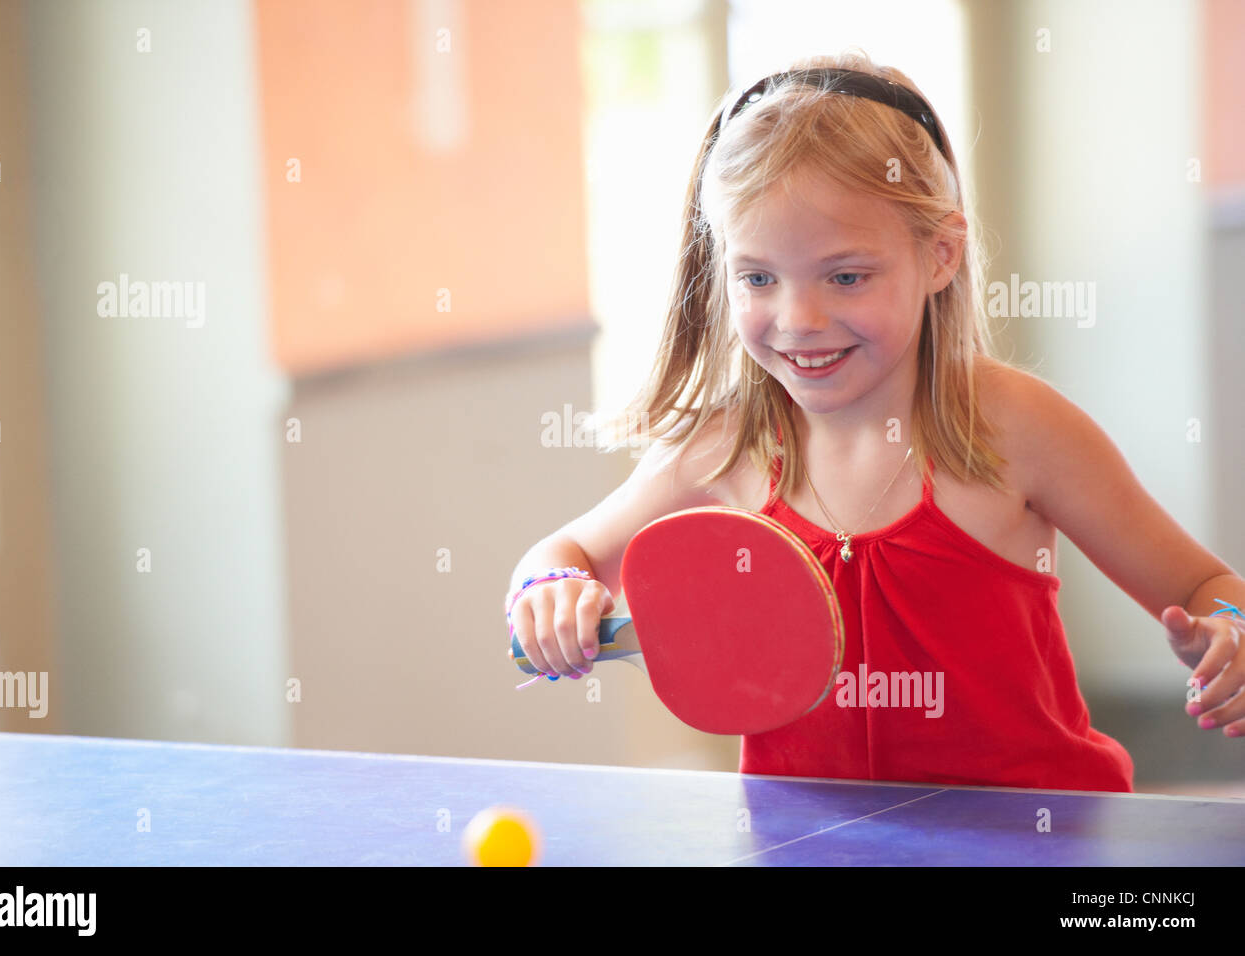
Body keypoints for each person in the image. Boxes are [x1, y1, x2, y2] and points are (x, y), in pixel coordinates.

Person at [504, 51, 1245, 791]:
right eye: (757, 277)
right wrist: (549, 590)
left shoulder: (1018, 428)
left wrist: (1233, 636)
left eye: (846, 276)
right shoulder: (724, 446)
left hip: (1037, 840)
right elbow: (562, 552)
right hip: (807, 842)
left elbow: (1206, 583)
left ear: (940, 256)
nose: (800, 319)